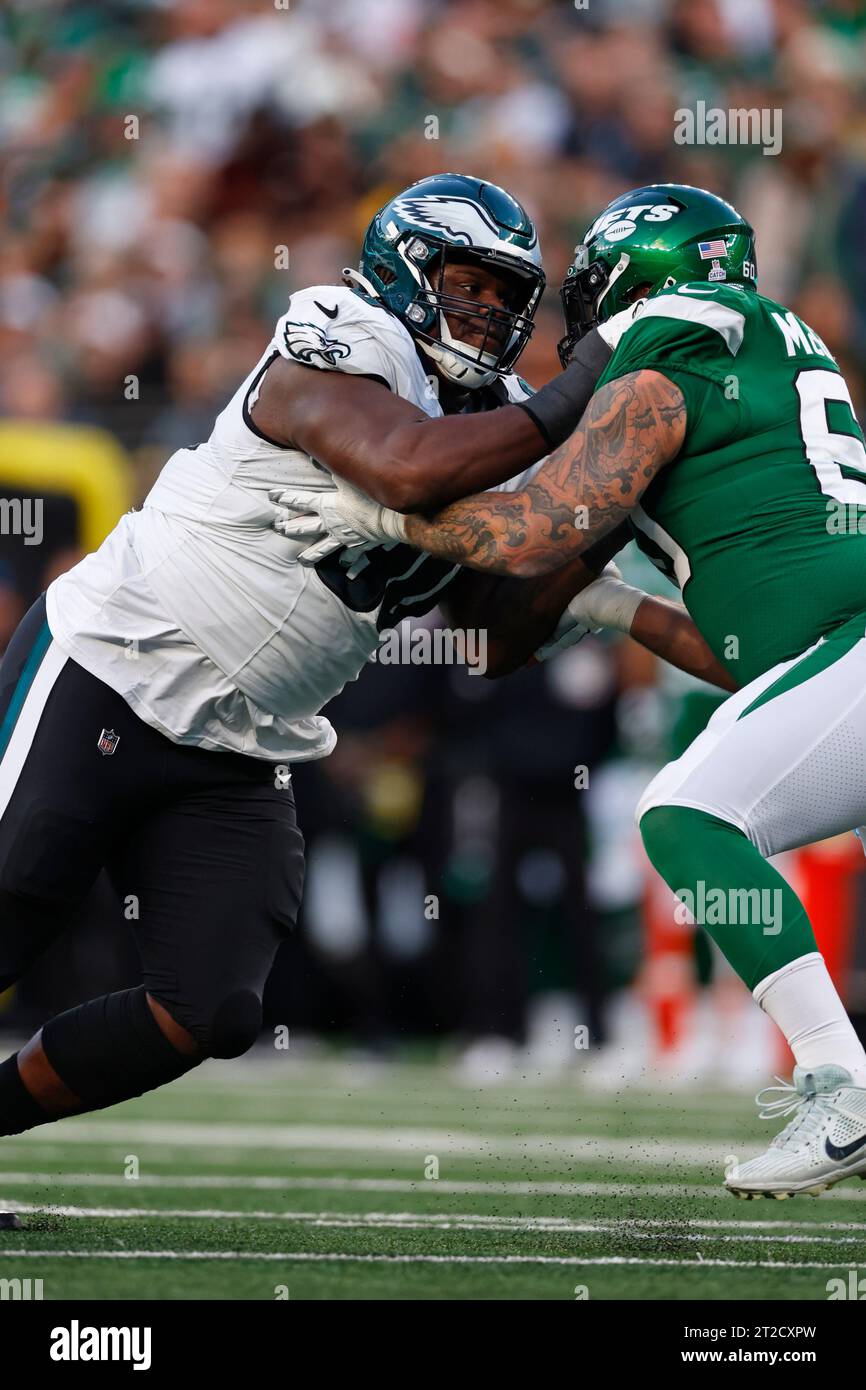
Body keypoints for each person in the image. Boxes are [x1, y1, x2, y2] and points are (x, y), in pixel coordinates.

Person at [0, 173, 726, 1142]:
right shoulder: (342, 331)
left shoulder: (505, 418)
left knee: (208, 1008)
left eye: (508, 295)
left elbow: (492, 635)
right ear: (404, 268)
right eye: (468, 284)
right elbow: (406, 466)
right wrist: (585, 387)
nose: (489, 312)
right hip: (118, 661)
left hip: (245, 738)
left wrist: (597, 530)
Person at [280, 182, 866, 1199]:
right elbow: (748, 660)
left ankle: (839, 1083)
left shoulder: (675, 342)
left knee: (686, 814)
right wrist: (611, 605)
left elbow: (531, 531)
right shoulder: (753, 357)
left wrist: (384, 517)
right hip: (839, 653)